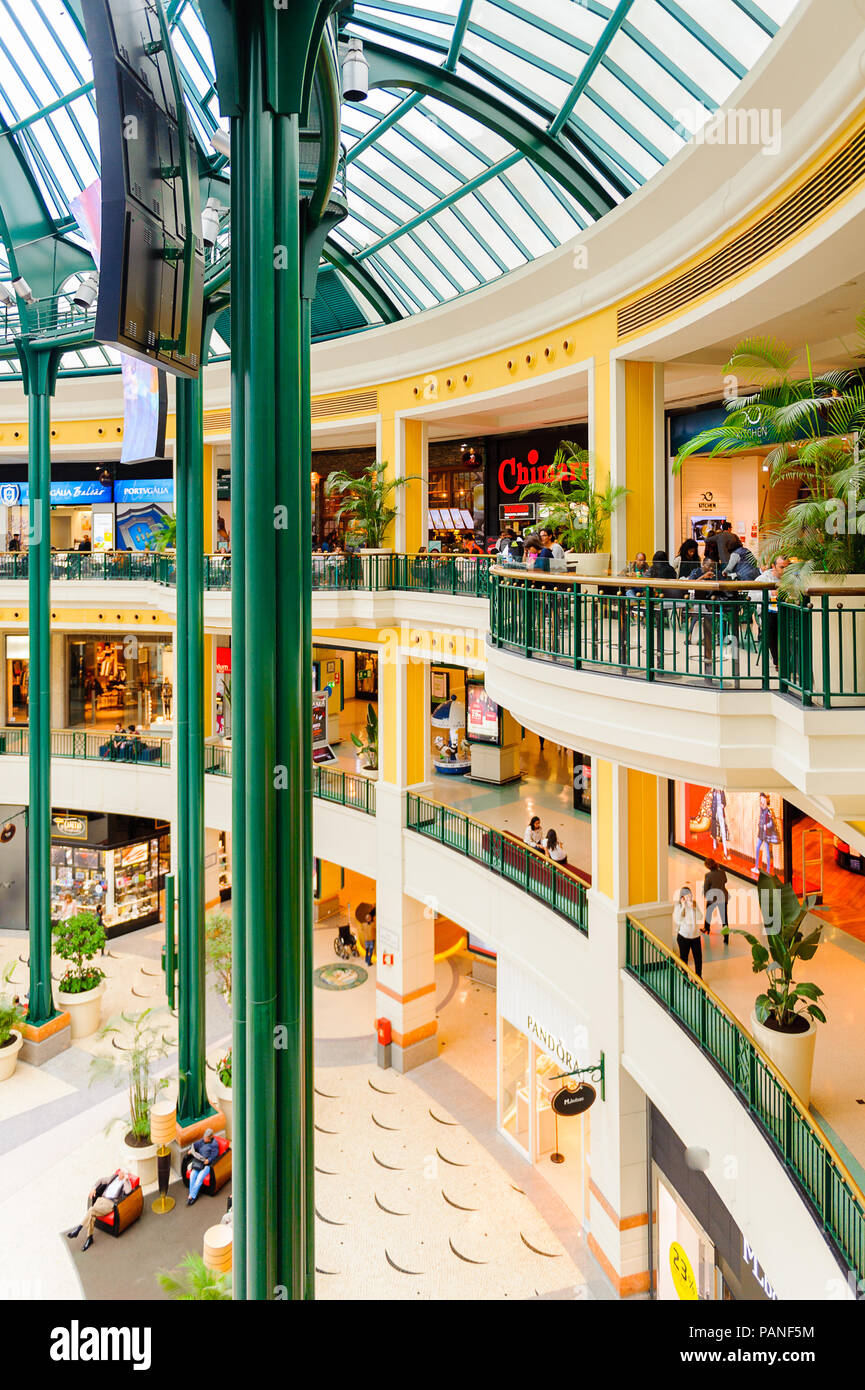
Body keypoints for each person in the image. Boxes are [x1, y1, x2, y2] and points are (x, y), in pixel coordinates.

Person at [67, 1170, 135, 1251]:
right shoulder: (113, 1177)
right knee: (91, 1215)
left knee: (91, 1210)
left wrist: (127, 1180)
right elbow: (100, 1180)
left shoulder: (125, 1183)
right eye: (120, 1172)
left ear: (125, 1175)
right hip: (101, 1199)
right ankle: (89, 1238)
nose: (120, 1173)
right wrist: (93, 1189)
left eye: (122, 1173)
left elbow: (128, 1192)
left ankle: (78, 1230)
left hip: (109, 1204)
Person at [753, 556, 790, 669]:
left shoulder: (791, 578)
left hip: (787, 611)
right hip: (767, 612)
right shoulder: (763, 579)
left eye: (787, 567)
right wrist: (770, 594)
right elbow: (752, 596)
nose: (784, 570)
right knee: (771, 625)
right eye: (781, 567)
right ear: (773, 566)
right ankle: (778, 661)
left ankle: (793, 660)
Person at [187, 1127, 220, 1205]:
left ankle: (192, 1196)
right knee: (192, 1175)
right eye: (204, 1137)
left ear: (210, 1138)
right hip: (199, 1162)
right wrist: (190, 1150)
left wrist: (208, 1160)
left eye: (205, 1138)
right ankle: (191, 1195)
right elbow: (194, 1145)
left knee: (199, 1178)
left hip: (207, 1165)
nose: (204, 1139)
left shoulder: (214, 1145)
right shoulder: (202, 1141)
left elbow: (214, 1155)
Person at [673, 886, 702, 977]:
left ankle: (699, 977)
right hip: (684, 937)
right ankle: (685, 977)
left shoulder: (694, 904)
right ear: (683, 897)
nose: (689, 898)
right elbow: (678, 920)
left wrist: (694, 908)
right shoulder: (678, 906)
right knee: (684, 959)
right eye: (687, 896)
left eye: (690, 896)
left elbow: (700, 917)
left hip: (695, 936)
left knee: (698, 958)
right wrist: (683, 907)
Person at [702, 857, 729, 942]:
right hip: (723, 897)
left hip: (712, 898)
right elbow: (725, 881)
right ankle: (726, 937)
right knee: (724, 918)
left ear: (708, 866)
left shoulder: (708, 875)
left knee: (709, 914)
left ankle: (707, 929)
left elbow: (706, 888)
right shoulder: (722, 872)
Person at [753, 793, 780, 876]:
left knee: (767, 851)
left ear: (766, 800)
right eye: (760, 799)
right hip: (761, 832)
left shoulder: (768, 810)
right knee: (757, 848)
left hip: (766, 833)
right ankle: (756, 867)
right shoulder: (761, 809)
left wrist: (765, 826)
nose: (761, 801)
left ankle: (768, 871)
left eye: (763, 799)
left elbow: (771, 823)